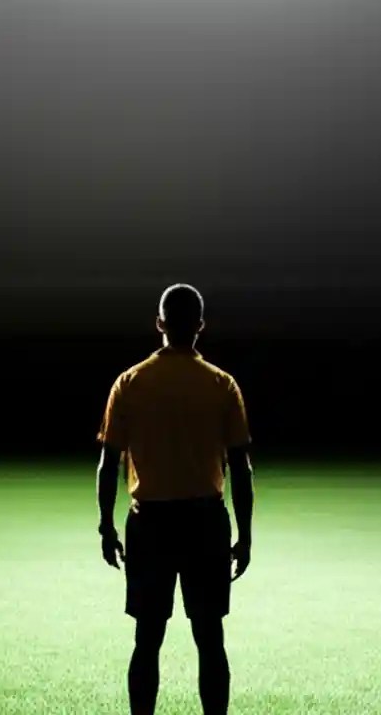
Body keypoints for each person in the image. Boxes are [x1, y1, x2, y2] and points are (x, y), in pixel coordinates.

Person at [95, 283, 255, 715]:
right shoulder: (222, 385)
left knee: (147, 639)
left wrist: (106, 527)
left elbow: (108, 463)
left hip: (150, 525)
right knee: (210, 638)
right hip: (205, 524)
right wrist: (246, 535)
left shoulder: (130, 383)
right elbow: (240, 468)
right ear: (200, 327)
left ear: (160, 323)